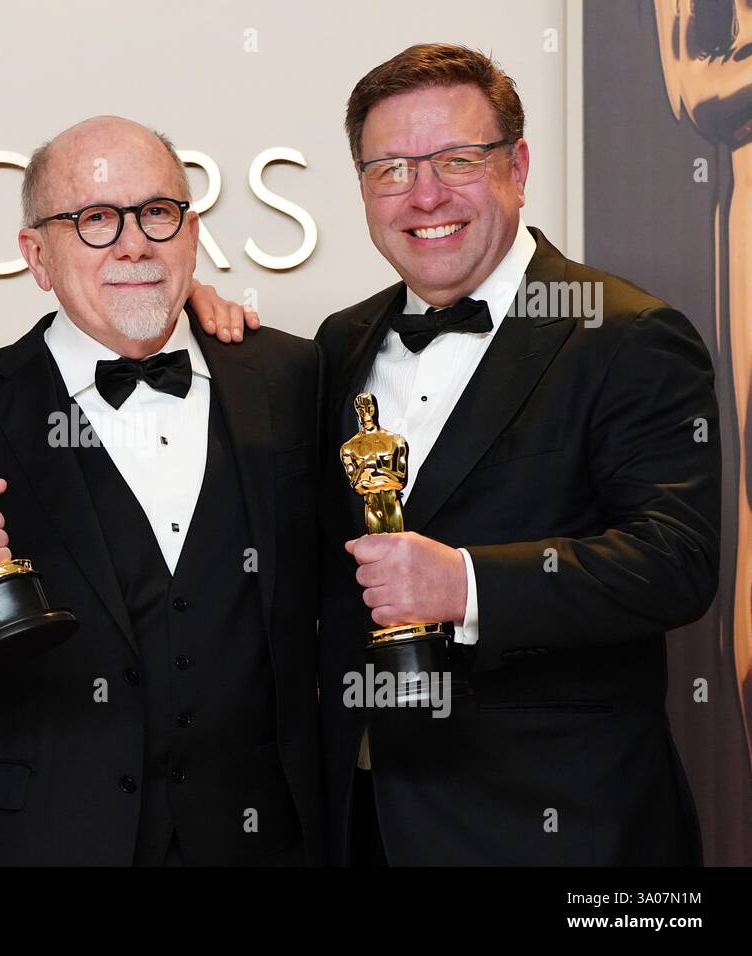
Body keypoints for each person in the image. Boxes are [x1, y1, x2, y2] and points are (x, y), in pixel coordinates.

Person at [203, 43, 720, 865]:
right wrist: (191, 311)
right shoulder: (343, 340)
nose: (426, 195)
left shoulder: (625, 333)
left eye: (457, 160)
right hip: (365, 821)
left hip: (564, 830)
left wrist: (466, 583)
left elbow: (677, 561)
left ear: (517, 166)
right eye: (392, 170)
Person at [0, 116, 323, 865]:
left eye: (157, 213)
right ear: (37, 254)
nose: (133, 244)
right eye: (94, 219)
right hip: (40, 841)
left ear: (191, 233)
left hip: (261, 840)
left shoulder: (294, 378)